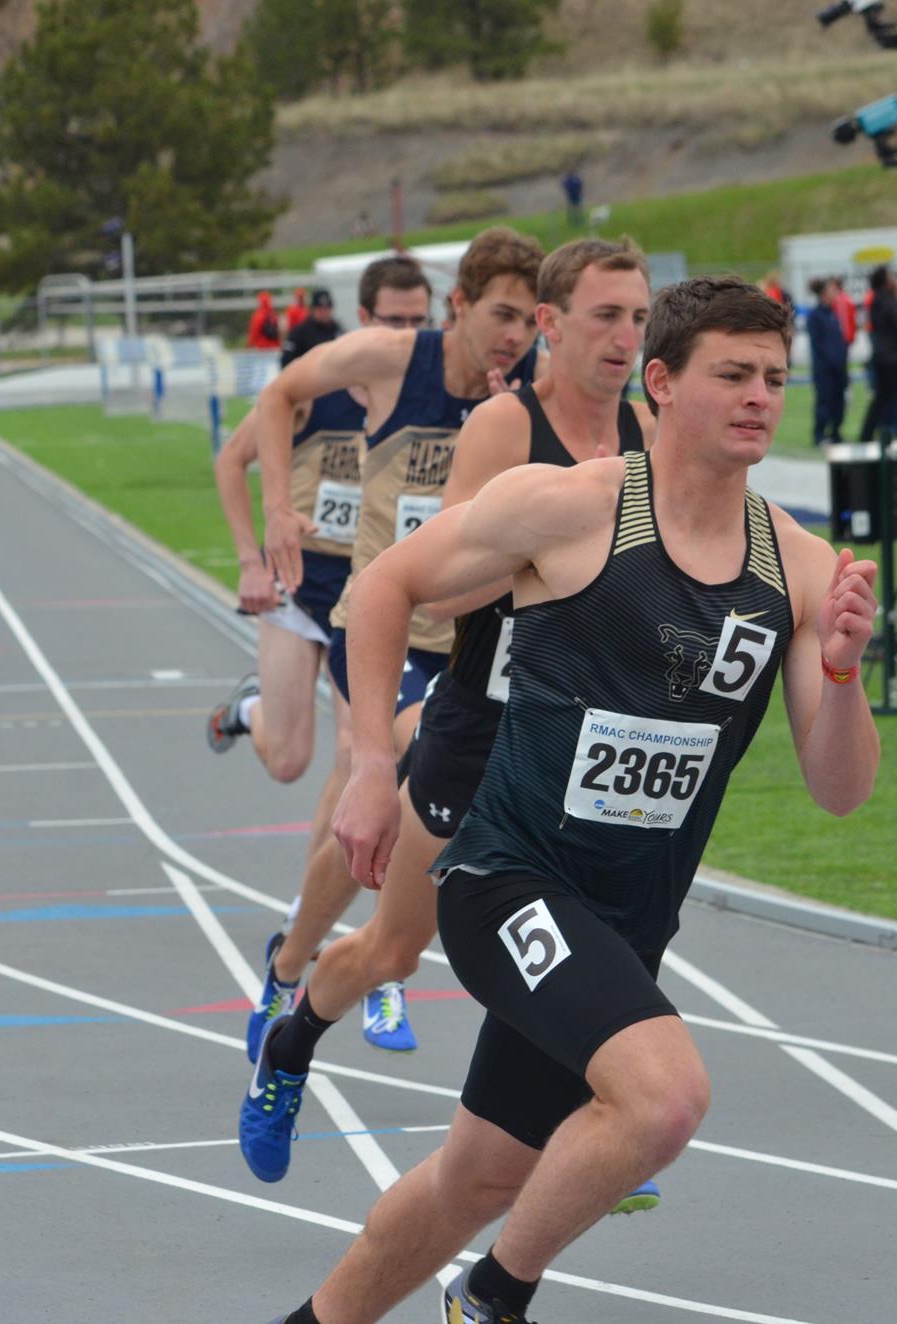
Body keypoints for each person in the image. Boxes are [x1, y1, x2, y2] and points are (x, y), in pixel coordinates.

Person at [260, 276, 880, 1324]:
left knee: (478, 1180)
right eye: (729, 373)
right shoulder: (574, 506)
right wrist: (371, 763)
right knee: (664, 1096)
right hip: (508, 877)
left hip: (627, 916)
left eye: (774, 378)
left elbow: (837, 789)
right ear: (661, 384)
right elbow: (382, 589)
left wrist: (843, 675)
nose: (758, 397)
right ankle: (492, 1301)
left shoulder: (802, 566)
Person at [242, 238, 655, 1194]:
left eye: (638, 318)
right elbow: (446, 592)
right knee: (394, 947)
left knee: (594, 940)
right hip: (480, 725)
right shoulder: (509, 428)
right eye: (605, 316)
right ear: (553, 325)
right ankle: (291, 1044)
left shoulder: (644, 434)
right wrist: (554, 549)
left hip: (576, 740)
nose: (624, 338)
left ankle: (599, 1117)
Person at [239, 226, 545, 1068]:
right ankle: (346, 965)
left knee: (366, 801)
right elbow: (276, 399)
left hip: (477, 639)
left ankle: (303, 961)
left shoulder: (530, 395)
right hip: (380, 626)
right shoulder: (388, 358)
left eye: (529, 321)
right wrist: (272, 512)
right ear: (459, 307)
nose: (515, 336)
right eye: (502, 314)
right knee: (393, 756)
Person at [208, 258, 434, 787]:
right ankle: (249, 709)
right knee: (288, 762)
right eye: (393, 321)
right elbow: (230, 462)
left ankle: (346, 864)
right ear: (362, 317)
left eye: (417, 322)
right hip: (299, 578)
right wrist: (250, 562)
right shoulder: (316, 386)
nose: (405, 335)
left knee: (362, 747)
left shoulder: (426, 392)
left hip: (365, 587)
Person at [858, 265, 897, 442]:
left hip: (882, 356)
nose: (894, 279)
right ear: (884, 281)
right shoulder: (889, 301)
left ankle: (866, 434)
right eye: (891, 276)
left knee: (881, 398)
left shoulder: (875, 300)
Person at [806, 277, 848, 445]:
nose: (835, 295)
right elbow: (820, 345)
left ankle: (836, 433)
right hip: (824, 368)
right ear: (823, 294)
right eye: (832, 291)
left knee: (839, 402)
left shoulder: (833, 314)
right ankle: (819, 435)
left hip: (839, 367)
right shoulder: (815, 316)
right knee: (824, 401)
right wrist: (831, 360)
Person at [280, 289, 340, 367]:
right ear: (313, 309)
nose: (325, 312)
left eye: (327, 308)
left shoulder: (337, 329)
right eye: (320, 309)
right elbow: (286, 360)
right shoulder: (299, 332)